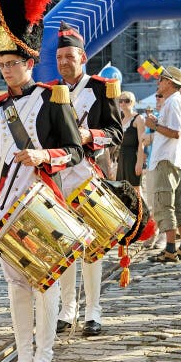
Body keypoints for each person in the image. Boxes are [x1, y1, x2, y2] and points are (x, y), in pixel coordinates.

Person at [0, 0, 82, 362]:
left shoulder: (53, 99)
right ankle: (21, 357)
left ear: (29, 61)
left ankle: (44, 358)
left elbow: (76, 150)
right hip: (5, 207)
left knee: (44, 283)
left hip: (43, 202)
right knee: (16, 287)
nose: (6, 69)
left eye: (13, 62)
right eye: (1, 63)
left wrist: (43, 154)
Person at [51, 22, 122, 338]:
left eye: (69, 56)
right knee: (65, 248)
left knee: (92, 250)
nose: (64, 61)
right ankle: (67, 310)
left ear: (82, 57)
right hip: (57, 181)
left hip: (87, 177)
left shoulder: (100, 88)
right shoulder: (50, 92)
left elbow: (115, 133)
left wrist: (89, 135)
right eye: (60, 57)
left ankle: (93, 311)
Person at [145, 66, 181, 263]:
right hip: (175, 159)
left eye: (161, 79)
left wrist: (154, 125)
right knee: (178, 205)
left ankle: (171, 249)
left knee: (165, 204)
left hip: (166, 159)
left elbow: (175, 132)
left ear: (170, 82)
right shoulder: (179, 102)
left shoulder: (173, 102)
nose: (158, 82)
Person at [116, 91, 146, 196]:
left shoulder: (139, 118)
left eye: (127, 101)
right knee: (122, 188)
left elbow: (142, 143)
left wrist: (139, 163)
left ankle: (143, 212)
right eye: (121, 101)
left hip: (133, 156)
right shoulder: (120, 119)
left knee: (136, 189)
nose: (123, 103)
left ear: (132, 102)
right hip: (121, 157)